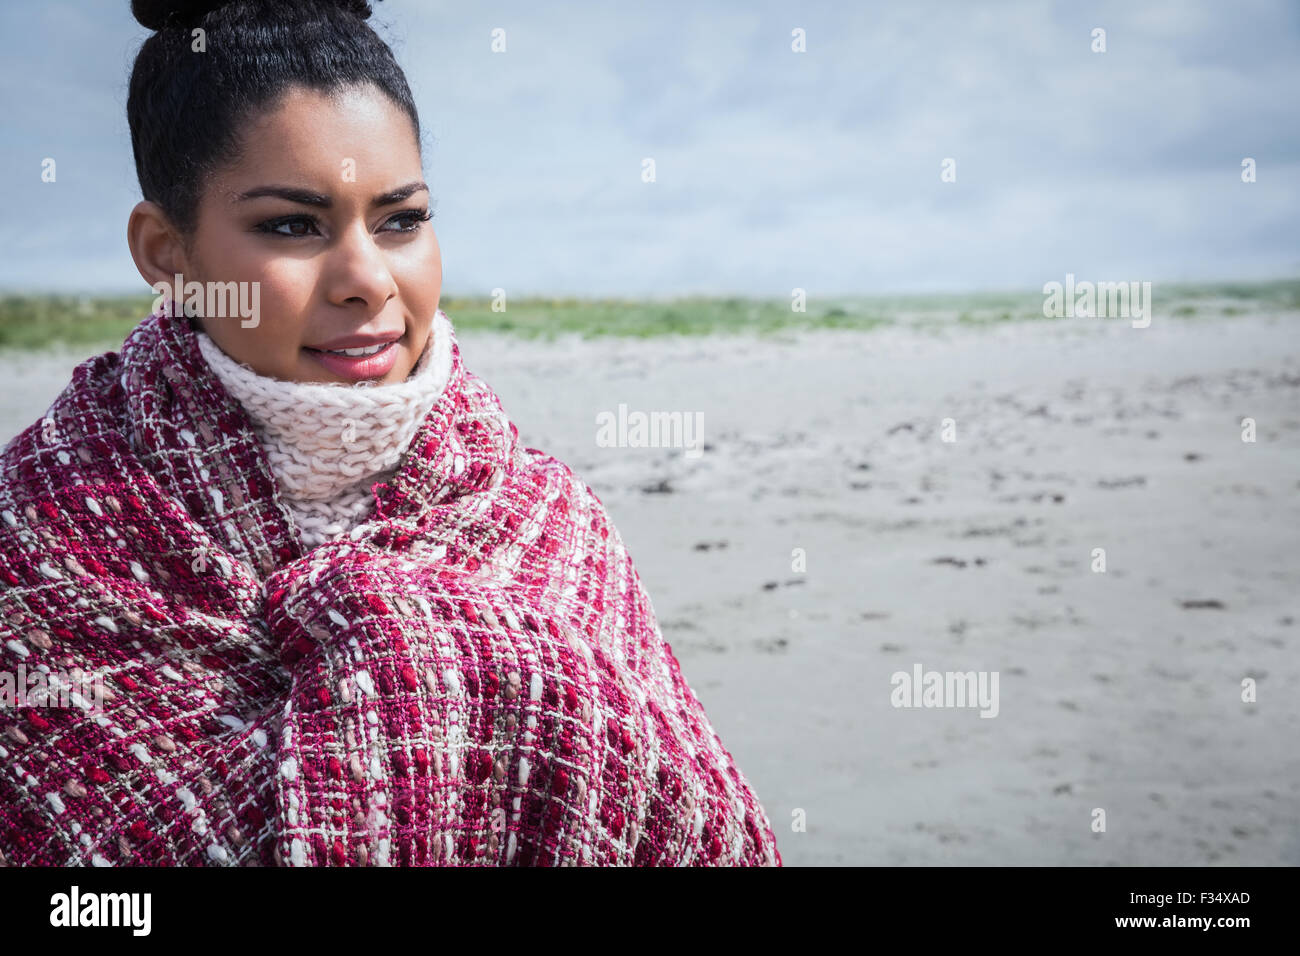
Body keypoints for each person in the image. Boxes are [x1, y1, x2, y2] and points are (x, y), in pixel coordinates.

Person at [0, 0, 781, 866]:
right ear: (165, 252)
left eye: (400, 220)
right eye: (290, 226)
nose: (368, 280)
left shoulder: (549, 524)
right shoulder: (39, 541)